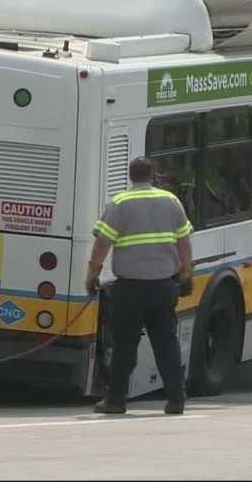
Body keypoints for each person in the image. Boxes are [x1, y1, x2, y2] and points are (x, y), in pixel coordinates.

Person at [87, 157, 195, 415]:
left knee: (124, 346)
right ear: (153, 175)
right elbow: (184, 241)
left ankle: (115, 401)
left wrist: (92, 274)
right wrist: (186, 273)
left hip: (130, 289)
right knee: (166, 344)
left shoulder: (120, 203)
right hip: (163, 287)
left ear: (130, 176)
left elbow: (102, 243)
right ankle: (176, 400)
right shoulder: (171, 201)